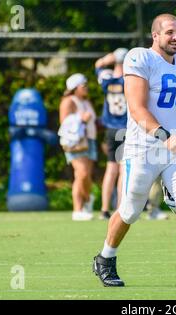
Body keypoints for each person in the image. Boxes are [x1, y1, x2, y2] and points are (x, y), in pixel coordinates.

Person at [92, 13, 176, 288]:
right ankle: (105, 257)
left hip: (175, 147)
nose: (175, 37)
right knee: (130, 210)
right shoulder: (140, 58)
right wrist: (164, 136)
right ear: (155, 35)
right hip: (144, 147)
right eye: (169, 33)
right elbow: (137, 108)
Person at [94, 48, 129, 220]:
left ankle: (104, 209)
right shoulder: (129, 81)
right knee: (123, 171)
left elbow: (98, 65)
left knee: (110, 170)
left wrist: (107, 58)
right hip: (125, 128)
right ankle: (120, 208)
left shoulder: (107, 80)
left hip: (110, 129)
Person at [59, 73, 98, 221]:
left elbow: (93, 122)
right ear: (75, 88)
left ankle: (86, 200)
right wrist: (80, 119)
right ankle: (78, 209)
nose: (86, 88)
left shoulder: (87, 102)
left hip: (90, 141)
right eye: (84, 85)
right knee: (81, 174)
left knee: (85, 176)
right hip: (76, 142)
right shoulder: (68, 101)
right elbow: (64, 124)